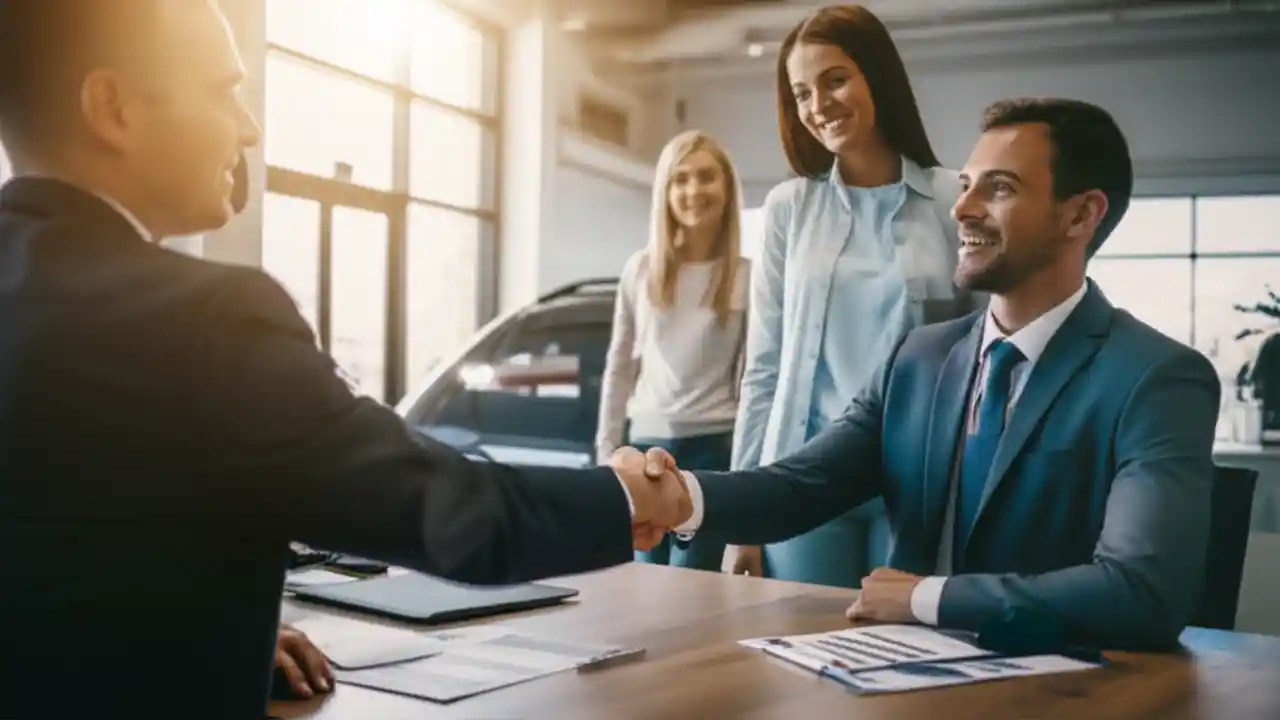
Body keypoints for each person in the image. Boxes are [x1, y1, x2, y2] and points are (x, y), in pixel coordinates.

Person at [0, 1, 688, 716]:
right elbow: (452, 516)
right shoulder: (204, 319)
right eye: (220, 90)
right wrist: (624, 493)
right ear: (112, 107)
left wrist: (220, 629)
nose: (248, 127)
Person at [627, 98, 1220, 650]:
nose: (962, 208)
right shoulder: (919, 358)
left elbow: (1143, 593)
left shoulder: (1156, 378)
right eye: (965, 186)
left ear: (1081, 215)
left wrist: (924, 597)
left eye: (1000, 188)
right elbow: (800, 486)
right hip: (901, 680)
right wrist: (679, 496)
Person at [725, 5, 973, 587]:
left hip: (917, 481)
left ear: (876, 76)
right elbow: (764, 368)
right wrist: (743, 518)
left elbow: (981, 357)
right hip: (804, 477)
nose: (819, 105)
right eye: (802, 93)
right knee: (798, 664)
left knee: (905, 664)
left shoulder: (950, 197)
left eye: (835, 79)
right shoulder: (790, 208)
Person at [597, 130, 750, 572]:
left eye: (706, 178)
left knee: (695, 589)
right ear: (665, 192)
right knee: (643, 586)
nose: (693, 191)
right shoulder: (640, 269)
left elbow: (759, 378)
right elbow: (619, 366)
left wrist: (745, 469)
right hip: (644, 449)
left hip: (713, 451)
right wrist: (608, 449)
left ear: (726, 189)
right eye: (680, 180)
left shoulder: (746, 275)